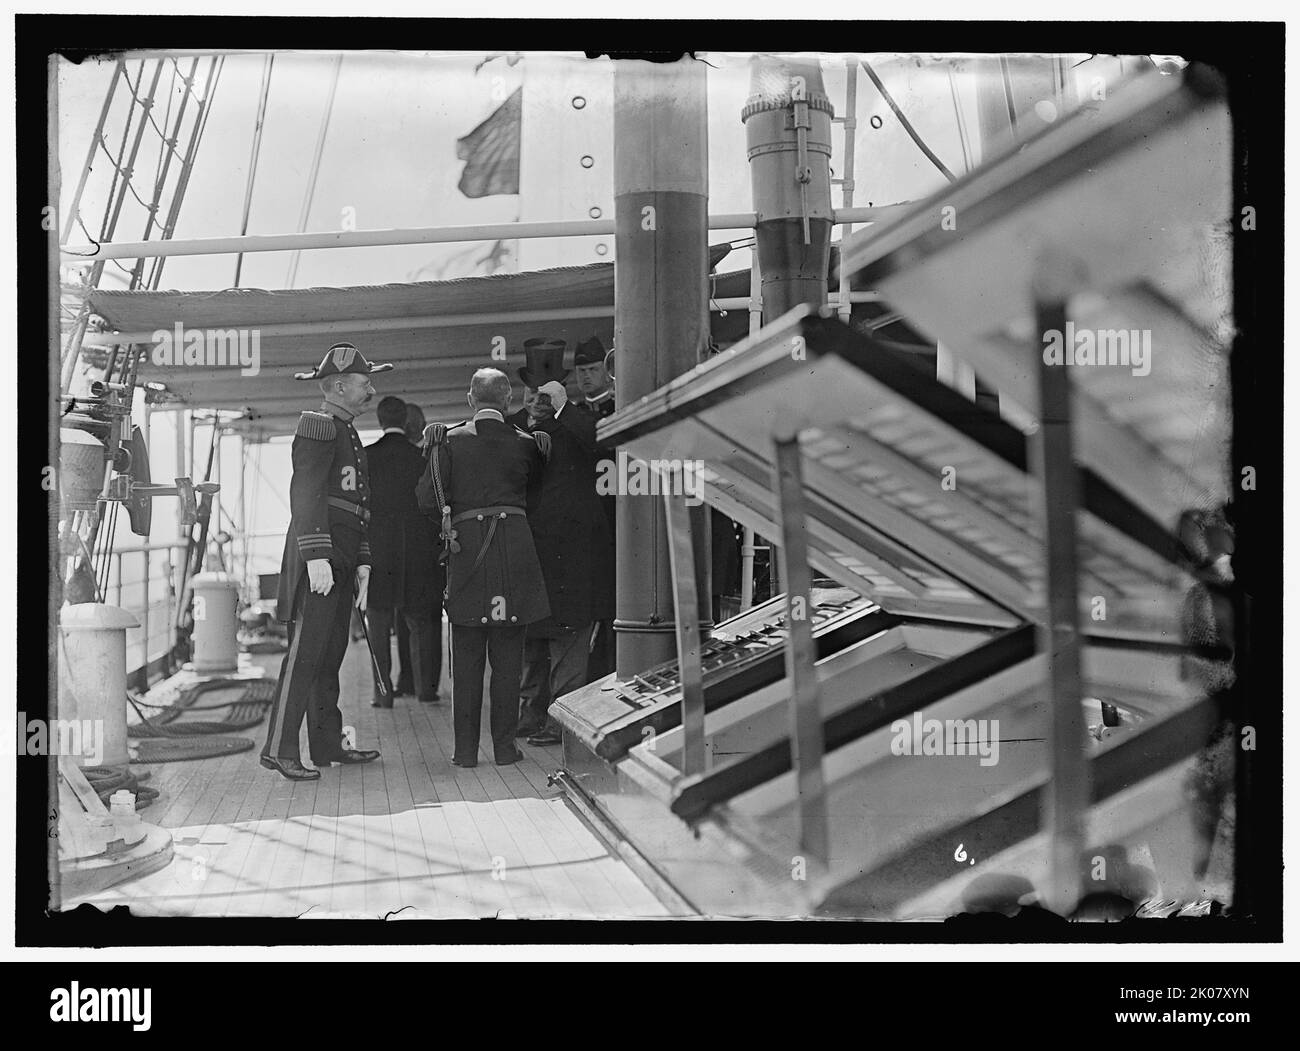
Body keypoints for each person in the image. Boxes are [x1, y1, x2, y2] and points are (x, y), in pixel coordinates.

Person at [260, 341, 388, 781]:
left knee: (330, 653)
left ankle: (327, 744)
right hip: (320, 559)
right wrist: (317, 556)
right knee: (304, 655)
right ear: (337, 385)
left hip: (342, 559)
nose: (370, 390)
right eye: (364, 383)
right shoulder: (318, 426)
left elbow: (357, 505)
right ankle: (280, 749)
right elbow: (306, 495)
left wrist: (363, 561)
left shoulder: (347, 429)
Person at [426, 367, 550, 767]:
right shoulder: (530, 444)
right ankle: (504, 749)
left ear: (470, 400)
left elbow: (426, 499)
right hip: (515, 552)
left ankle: (464, 753)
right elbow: (539, 496)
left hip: (468, 556)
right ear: (509, 400)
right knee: (509, 660)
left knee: (466, 661)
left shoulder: (449, 440)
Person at [506, 338, 616, 746]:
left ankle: (561, 718)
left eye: (544, 393)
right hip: (530, 552)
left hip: (572, 555)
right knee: (530, 637)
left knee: (569, 637)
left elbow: (605, 440)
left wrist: (564, 409)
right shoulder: (511, 426)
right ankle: (530, 713)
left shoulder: (576, 423)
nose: (536, 400)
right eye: (531, 393)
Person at [364, 396, 443, 708]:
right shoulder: (421, 458)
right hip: (418, 555)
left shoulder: (366, 457)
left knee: (379, 625)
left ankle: (382, 695)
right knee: (422, 624)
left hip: (379, 554)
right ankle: (426, 691)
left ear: (380, 419)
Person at [568, 335, 618, 680]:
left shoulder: (615, 410)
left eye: (592, 369)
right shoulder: (573, 415)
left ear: (607, 370)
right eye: (581, 371)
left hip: (615, 521)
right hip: (585, 528)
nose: (586, 377)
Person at [393, 403, 441, 695]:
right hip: (420, 555)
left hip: (415, 555)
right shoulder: (422, 457)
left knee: (418, 622)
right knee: (416, 622)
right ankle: (416, 682)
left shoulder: (425, 456)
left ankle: (419, 683)